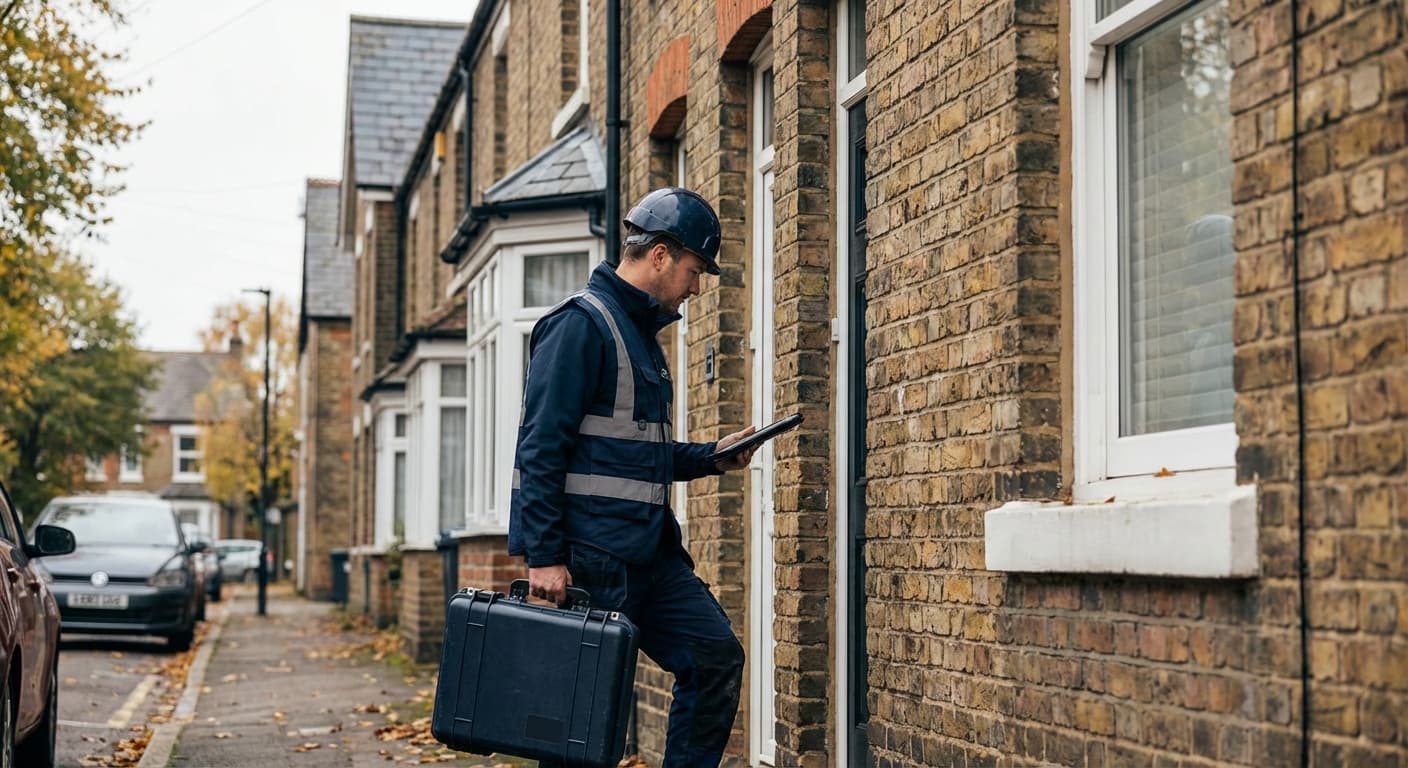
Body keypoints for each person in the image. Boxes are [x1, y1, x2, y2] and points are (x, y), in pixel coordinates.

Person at [508, 187, 757, 768]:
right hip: (590, 559)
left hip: (649, 556)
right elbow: (540, 449)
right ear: (662, 255)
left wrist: (709, 457)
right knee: (584, 727)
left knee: (715, 656)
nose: (697, 288)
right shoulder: (580, 326)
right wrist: (542, 556)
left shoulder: (640, 334)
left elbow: (629, 453)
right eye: (696, 271)